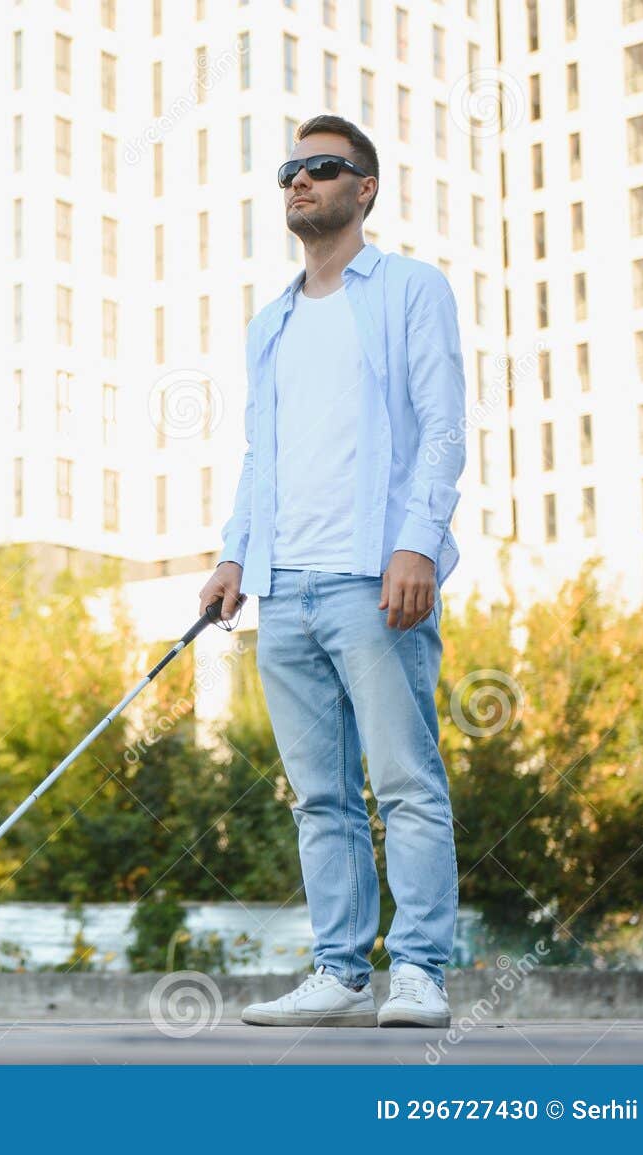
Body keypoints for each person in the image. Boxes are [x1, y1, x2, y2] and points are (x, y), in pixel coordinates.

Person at [197, 114, 465, 1029]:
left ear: (366, 188)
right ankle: (340, 971)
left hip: (373, 578)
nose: (300, 183)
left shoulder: (411, 291)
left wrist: (418, 541)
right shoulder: (268, 324)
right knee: (320, 797)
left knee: (405, 780)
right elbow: (258, 456)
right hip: (286, 586)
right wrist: (234, 551)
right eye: (290, 171)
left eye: (322, 168)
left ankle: (420, 970)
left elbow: (441, 427)